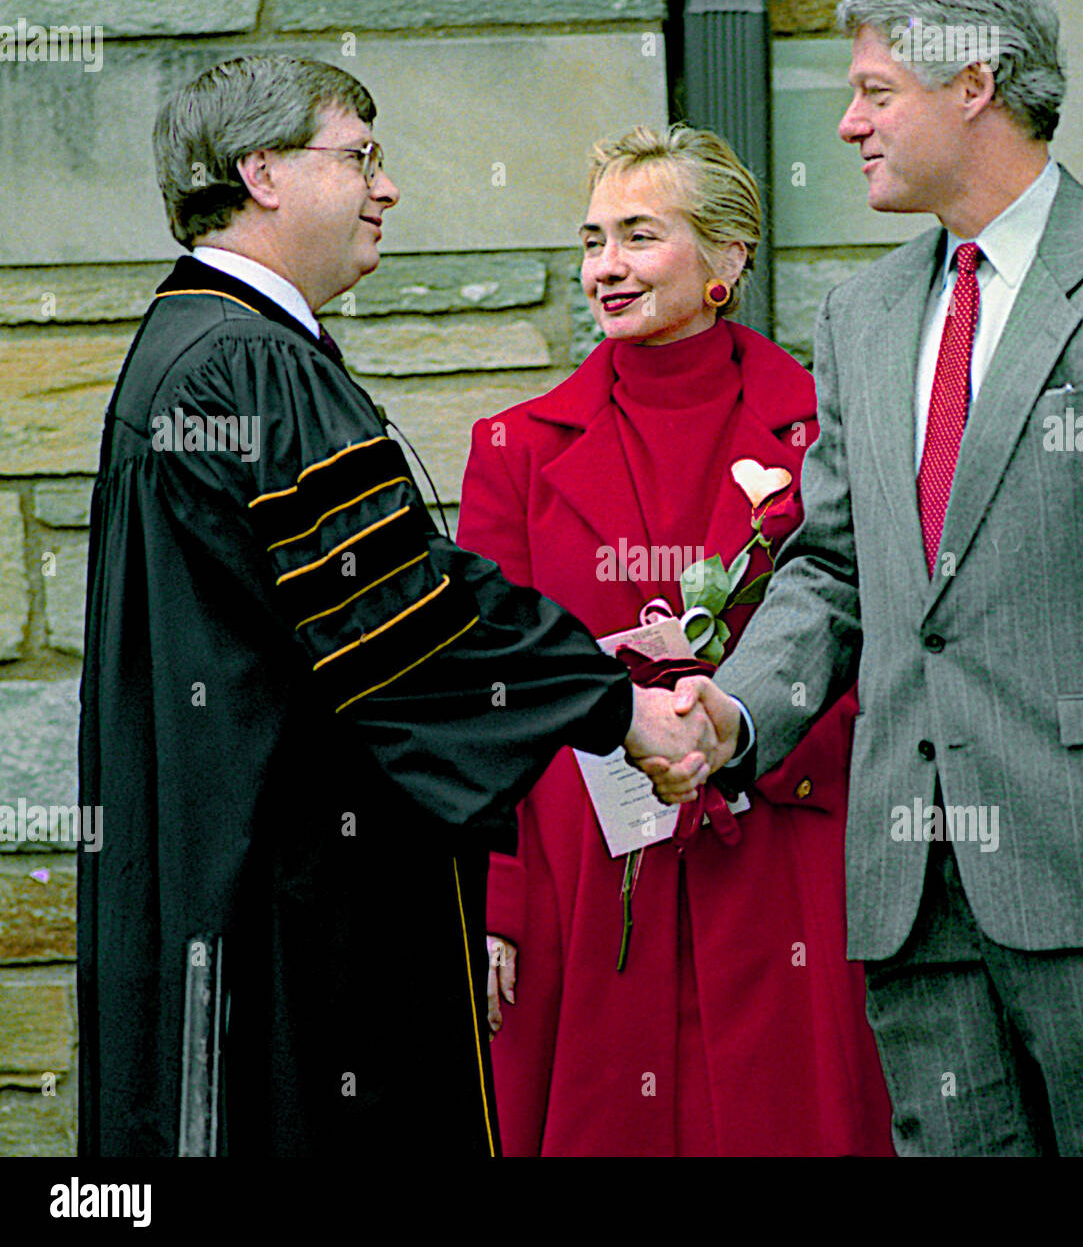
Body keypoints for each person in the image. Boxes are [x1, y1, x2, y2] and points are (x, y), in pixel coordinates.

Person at [642, 0, 1083, 1157]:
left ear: (974, 85)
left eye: (874, 92)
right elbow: (833, 566)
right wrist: (733, 709)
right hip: (911, 891)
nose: (849, 124)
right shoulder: (863, 313)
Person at [77, 56, 721, 1158]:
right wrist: (615, 706)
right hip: (288, 898)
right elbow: (401, 623)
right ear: (262, 171)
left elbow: (383, 590)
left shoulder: (186, 347)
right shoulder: (247, 365)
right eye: (361, 157)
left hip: (214, 864)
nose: (386, 188)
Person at [456, 125, 895, 1156]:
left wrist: (735, 746)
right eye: (593, 239)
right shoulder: (514, 451)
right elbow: (486, 692)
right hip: (585, 874)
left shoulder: (827, 431)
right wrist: (497, 898)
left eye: (639, 236)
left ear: (726, 260)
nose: (604, 267)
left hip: (786, 857)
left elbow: (878, 635)